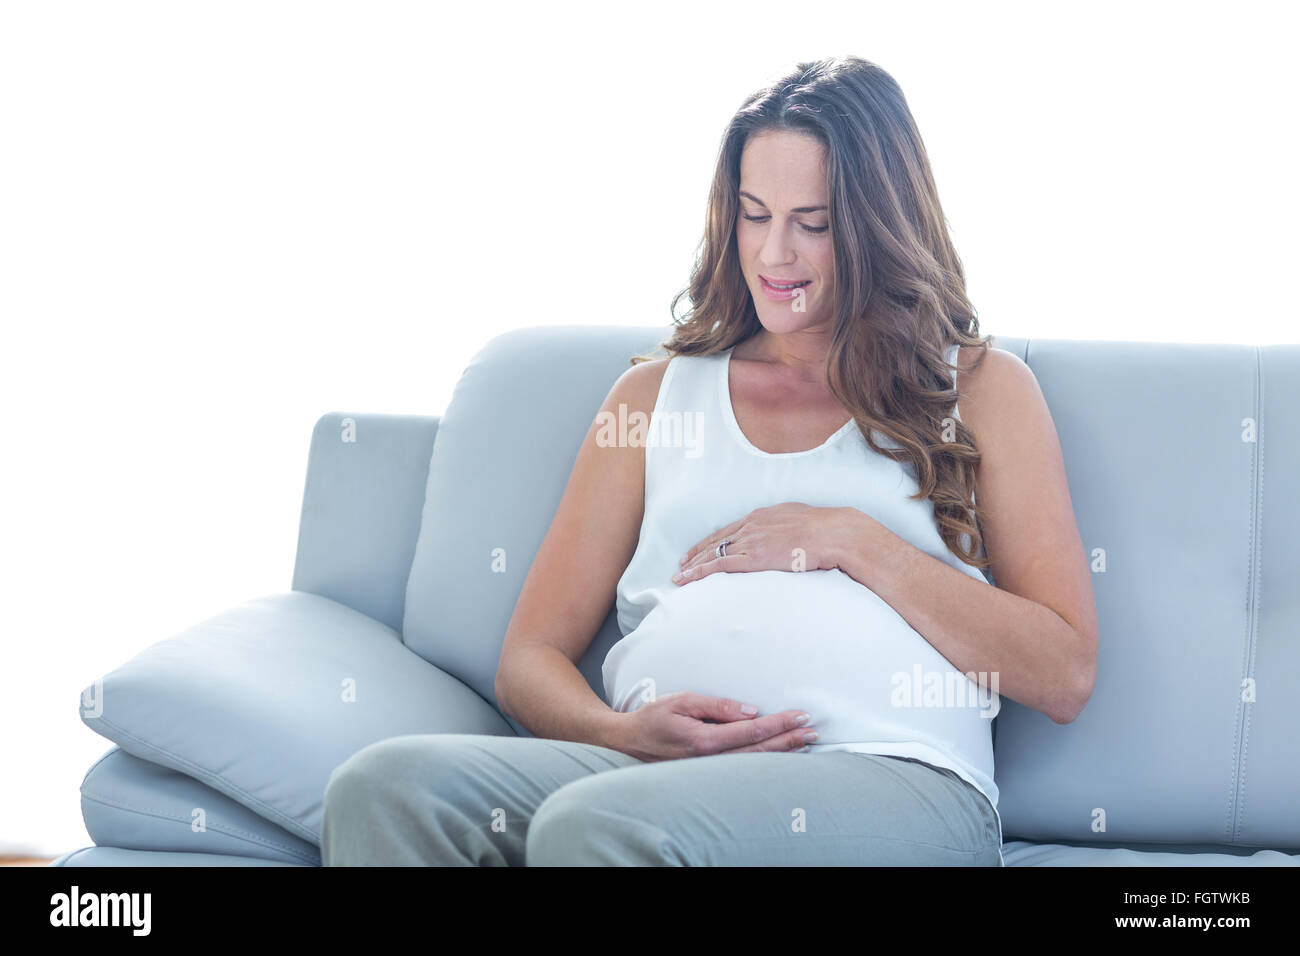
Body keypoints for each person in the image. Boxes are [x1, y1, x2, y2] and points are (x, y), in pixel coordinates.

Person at [321, 54, 1098, 867]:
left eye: (815, 222)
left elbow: (1065, 671)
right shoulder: (653, 398)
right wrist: (621, 734)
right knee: (384, 787)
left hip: (897, 775)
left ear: (880, 224)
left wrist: (851, 541)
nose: (775, 254)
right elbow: (530, 660)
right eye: (754, 214)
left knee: (601, 829)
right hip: (644, 776)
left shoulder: (977, 388)